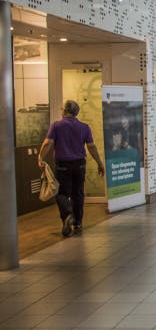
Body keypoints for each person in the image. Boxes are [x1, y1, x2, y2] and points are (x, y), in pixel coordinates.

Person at [37, 100, 105, 237]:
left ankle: (67, 215)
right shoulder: (84, 127)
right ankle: (78, 222)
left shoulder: (56, 126)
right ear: (76, 112)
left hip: (62, 165)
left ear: (65, 111)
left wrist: (40, 157)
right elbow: (91, 146)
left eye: (62, 109)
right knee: (78, 193)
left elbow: (48, 143)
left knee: (61, 192)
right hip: (80, 164)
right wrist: (99, 162)